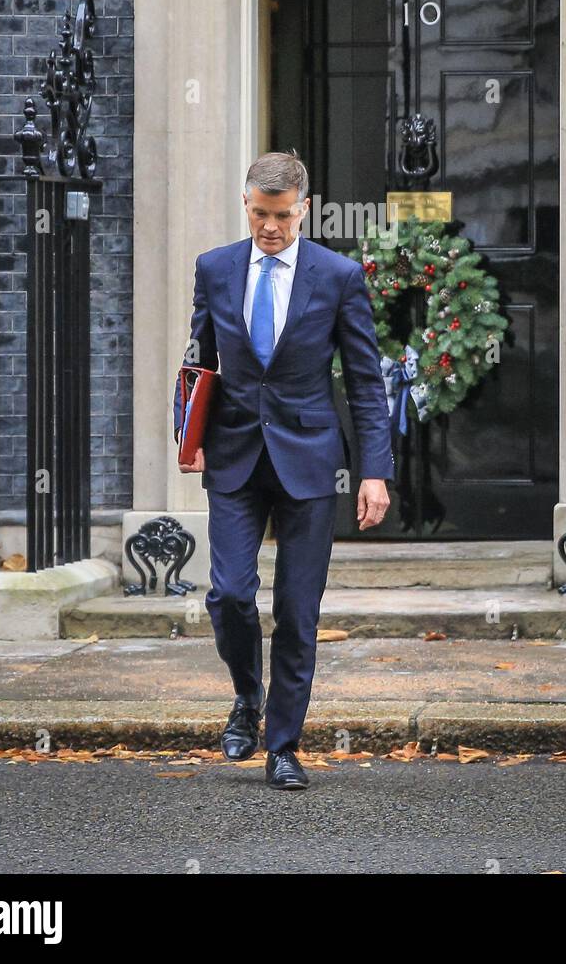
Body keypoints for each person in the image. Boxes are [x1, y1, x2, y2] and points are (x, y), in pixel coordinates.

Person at [173, 152, 394, 789]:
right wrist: (189, 436)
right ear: (246, 205)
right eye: (260, 214)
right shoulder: (214, 268)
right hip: (234, 457)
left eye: (283, 216)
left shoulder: (339, 276)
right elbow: (199, 360)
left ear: (304, 210)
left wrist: (374, 471)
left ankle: (283, 745)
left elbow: (364, 382)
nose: (271, 227)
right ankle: (248, 697)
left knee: (297, 612)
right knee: (230, 594)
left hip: (309, 460)